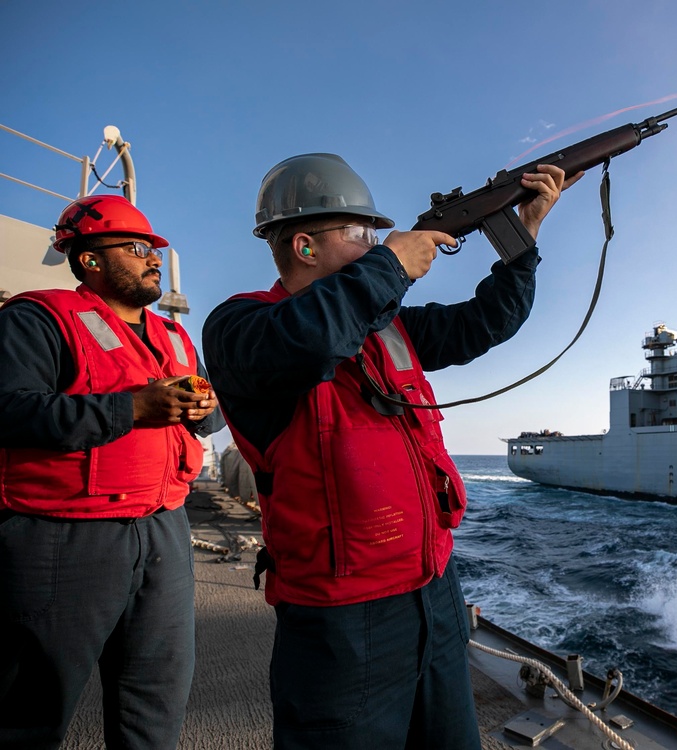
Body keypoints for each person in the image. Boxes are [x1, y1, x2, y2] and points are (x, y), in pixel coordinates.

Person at [202, 152, 577, 749]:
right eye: (360, 234)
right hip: (340, 620)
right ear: (304, 246)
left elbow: (484, 323)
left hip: (434, 592)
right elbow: (309, 336)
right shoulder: (242, 326)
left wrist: (523, 236)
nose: (377, 242)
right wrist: (392, 264)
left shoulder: (388, 327)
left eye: (377, 235)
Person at [0, 195, 224, 749]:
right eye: (135, 248)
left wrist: (203, 409)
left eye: (153, 250)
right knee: (32, 708)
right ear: (90, 259)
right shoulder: (37, 318)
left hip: (163, 530)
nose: (152, 259)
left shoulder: (173, 335)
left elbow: (210, 415)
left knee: (156, 699)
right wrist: (130, 408)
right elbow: (11, 409)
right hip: (63, 535)